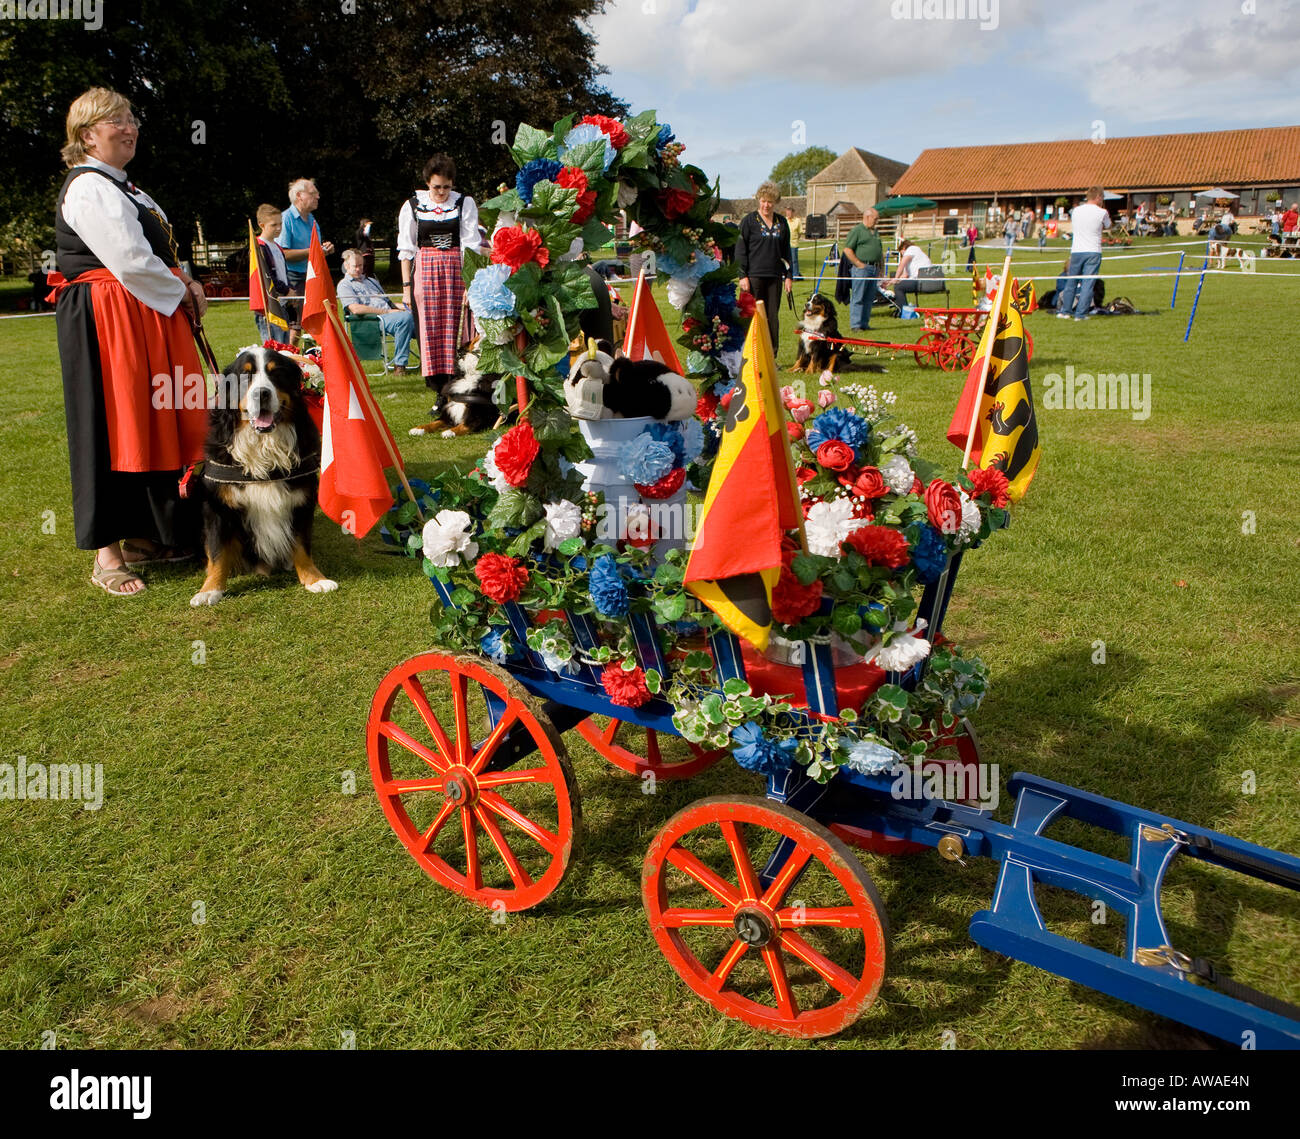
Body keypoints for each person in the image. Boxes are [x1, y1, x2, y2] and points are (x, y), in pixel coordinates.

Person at [50, 87, 209, 596]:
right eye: (114, 119)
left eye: (130, 116)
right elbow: (129, 259)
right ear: (86, 135)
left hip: (140, 313)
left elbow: (157, 251)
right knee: (107, 423)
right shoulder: (89, 187)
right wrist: (180, 291)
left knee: (150, 420)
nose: (129, 125)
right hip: (107, 319)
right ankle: (107, 554)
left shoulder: (126, 188)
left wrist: (185, 281)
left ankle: (148, 536)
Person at [397, 154, 485, 392]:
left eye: (447, 186)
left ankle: (458, 383)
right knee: (430, 329)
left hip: (456, 271)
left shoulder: (463, 203)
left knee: (458, 326)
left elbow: (470, 246)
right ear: (428, 183)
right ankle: (437, 390)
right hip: (425, 273)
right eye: (437, 187)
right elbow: (406, 249)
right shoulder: (413, 206)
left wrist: (470, 283)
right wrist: (406, 288)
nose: (442, 192)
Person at [337, 248, 415, 374]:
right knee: (405, 319)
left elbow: (388, 303)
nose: (358, 269)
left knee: (421, 316)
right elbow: (355, 308)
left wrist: (411, 308)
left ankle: (432, 362)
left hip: (389, 315)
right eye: (355, 266)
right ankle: (400, 365)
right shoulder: (344, 285)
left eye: (361, 265)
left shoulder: (371, 281)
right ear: (346, 266)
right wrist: (388, 312)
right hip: (371, 320)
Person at [735, 181, 793, 351]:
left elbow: (786, 252)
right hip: (753, 277)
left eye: (770, 202)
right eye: (763, 201)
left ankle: (770, 355)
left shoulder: (782, 222)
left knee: (772, 318)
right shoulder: (749, 221)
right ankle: (750, 353)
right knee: (752, 315)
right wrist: (742, 275)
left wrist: (789, 276)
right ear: (758, 200)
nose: (766, 205)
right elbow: (740, 250)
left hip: (774, 277)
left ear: (775, 203)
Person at [278, 178, 335, 345]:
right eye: (313, 193)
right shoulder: (286, 219)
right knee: (295, 324)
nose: (317, 196)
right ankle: (289, 359)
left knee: (314, 319)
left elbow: (314, 250)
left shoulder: (312, 220)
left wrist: (325, 249)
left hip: (311, 275)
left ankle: (310, 360)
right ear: (299, 196)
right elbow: (283, 254)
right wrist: (314, 251)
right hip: (292, 277)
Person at [1055, 186, 1110, 322]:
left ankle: (1065, 311)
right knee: (1088, 283)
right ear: (1098, 197)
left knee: (1071, 281)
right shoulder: (1102, 212)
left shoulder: (1076, 211)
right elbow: (1108, 226)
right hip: (1093, 250)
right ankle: (1080, 314)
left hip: (1076, 250)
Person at [252, 202, 291, 344]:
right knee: (274, 347)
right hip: (269, 307)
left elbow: (283, 273)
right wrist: (286, 290)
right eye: (273, 225)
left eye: (280, 224)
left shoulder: (278, 247)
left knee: (284, 345)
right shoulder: (259, 247)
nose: (279, 228)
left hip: (282, 303)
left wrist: (289, 288)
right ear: (261, 225)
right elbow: (268, 276)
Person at [842, 207, 884, 331]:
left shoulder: (875, 232)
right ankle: (855, 325)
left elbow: (879, 251)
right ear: (867, 217)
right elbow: (847, 249)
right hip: (861, 269)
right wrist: (859, 264)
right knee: (858, 297)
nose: (876, 221)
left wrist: (881, 267)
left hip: (874, 268)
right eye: (875, 219)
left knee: (869, 298)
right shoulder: (857, 231)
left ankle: (864, 324)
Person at [882, 238, 933, 308]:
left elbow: (901, 265)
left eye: (901, 253)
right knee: (899, 285)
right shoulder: (917, 253)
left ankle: (903, 310)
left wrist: (896, 279)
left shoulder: (911, 249)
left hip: (922, 280)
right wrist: (891, 281)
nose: (902, 255)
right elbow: (905, 275)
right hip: (926, 280)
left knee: (898, 287)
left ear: (903, 248)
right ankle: (903, 308)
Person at [784, 205, 803, 280]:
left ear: (793, 212)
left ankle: (795, 275)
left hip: (794, 244)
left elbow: (800, 233)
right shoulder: (784, 220)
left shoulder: (797, 221)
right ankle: (786, 274)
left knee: (794, 260)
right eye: (787, 211)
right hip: (785, 244)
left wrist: (795, 239)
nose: (788, 213)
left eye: (790, 211)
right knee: (785, 261)